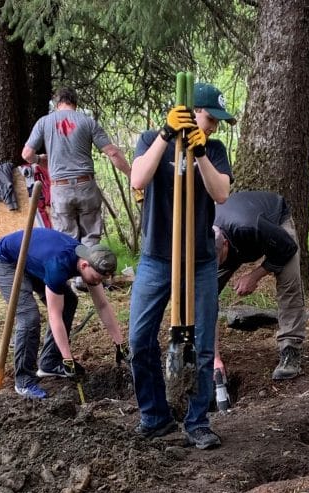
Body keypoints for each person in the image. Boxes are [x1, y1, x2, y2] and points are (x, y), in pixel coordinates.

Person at [128, 83, 234, 450]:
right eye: (210, 119)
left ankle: (197, 422)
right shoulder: (150, 139)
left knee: (203, 345)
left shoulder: (215, 149)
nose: (215, 127)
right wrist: (165, 135)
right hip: (157, 257)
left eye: (218, 123)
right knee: (139, 340)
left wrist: (200, 152)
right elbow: (137, 179)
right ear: (190, 113)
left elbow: (221, 193)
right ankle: (155, 417)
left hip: (200, 260)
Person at [0, 226, 129, 399]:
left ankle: (49, 362)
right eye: (98, 279)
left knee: (69, 301)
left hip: (32, 259)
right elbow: (55, 316)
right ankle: (23, 381)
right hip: (7, 262)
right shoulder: (58, 266)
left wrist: (120, 344)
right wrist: (68, 358)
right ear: (84, 265)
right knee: (29, 317)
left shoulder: (89, 260)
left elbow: (103, 305)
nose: (99, 282)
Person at [213, 191, 305, 381]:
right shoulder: (200, 233)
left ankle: (291, 349)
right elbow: (203, 301)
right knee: (205, 292)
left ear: (225, 247)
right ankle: (206, 353)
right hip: (236, 233)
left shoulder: (249, 226)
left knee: (289, 280)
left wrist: (255, 275)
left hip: (275, 221)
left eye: (218, 261)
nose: (216, 267)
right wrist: (214, 358)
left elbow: (287, 247)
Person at [22, 87, 132, 245]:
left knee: (66, 242)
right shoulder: (88, 122)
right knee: (91, 240)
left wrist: (39, 160)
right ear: (75, 103)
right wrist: (130, 173)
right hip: (86, 186)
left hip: (60, 189)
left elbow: (26, 154)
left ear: (57, 103)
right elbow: (112, 153)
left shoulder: (44, 122)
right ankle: (91, 267)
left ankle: (72, 269)